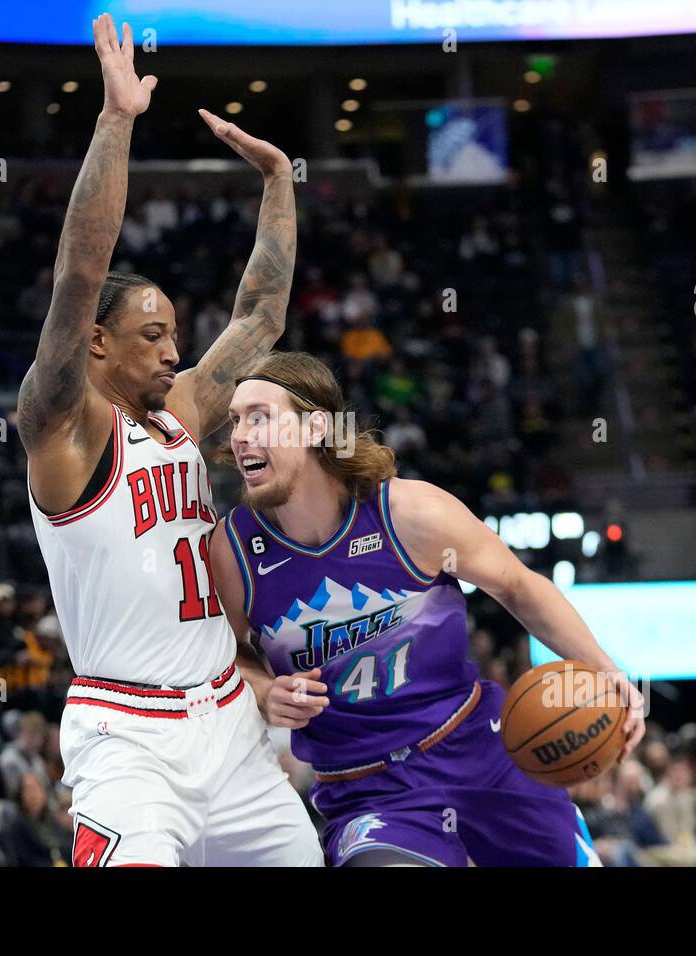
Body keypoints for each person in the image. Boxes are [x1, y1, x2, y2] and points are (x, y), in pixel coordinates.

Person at [16, 15, 319, 867]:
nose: (174, 352)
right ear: (98, 343)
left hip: (228, 722)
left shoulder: (181, 414)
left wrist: (277, 180)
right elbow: (79, 273)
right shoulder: (64, 429)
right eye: (151, 335)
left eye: (175, 334)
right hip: (128, 738)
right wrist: (116, 123)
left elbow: (260, 316)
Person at [207, 351, 644, 866]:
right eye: (235, 420)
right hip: (368, 789)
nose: (239, 435)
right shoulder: (233, 552)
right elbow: (220, 657)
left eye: (260, 416)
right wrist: (263, 690)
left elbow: (520, 587)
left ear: (315, 427)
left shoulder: (407, 513)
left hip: (480, 749)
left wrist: (607, 669)